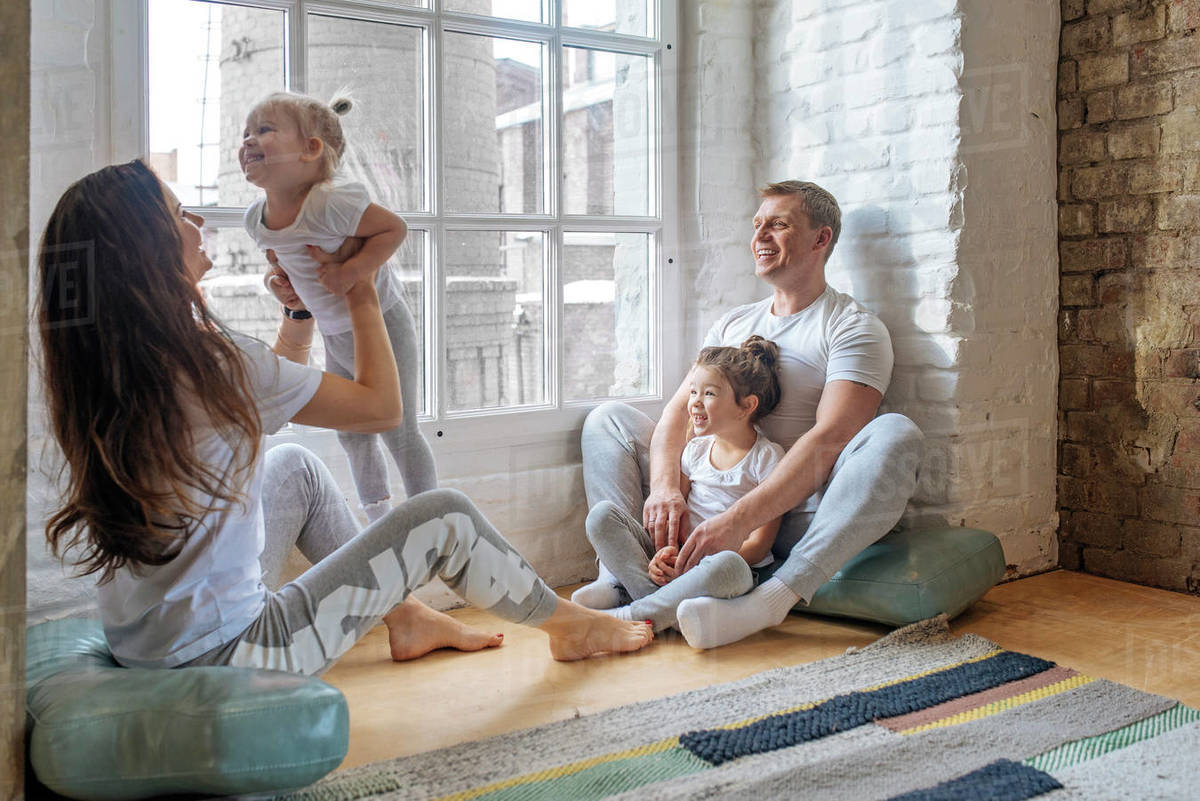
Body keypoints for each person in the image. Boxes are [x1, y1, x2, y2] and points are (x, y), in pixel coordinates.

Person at [37, 160, 653, 675]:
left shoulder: (124, 360)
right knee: (443, 517)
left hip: (150, 641)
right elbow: (379, 410)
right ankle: (570, 625)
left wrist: (300, 315)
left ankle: (408, 619)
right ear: (148, 252)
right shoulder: (209, 362)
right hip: (231, 653)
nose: (195, 221)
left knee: (295, 467)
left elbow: (253, 397)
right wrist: (359, 286)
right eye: (178, 215)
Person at [580, 180, 924, 649]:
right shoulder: (734, 323)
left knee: (896, 434)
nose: (760, 236)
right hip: (707, 501)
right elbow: (678, 415)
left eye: (778, 225)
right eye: (757, 224)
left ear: (820, 239)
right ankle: (626, 577)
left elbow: (832, 438)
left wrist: (740, 521)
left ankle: (773, 598)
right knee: (609, 420)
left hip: (789, 517)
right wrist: (664, 489)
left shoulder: (851, 326)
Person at [241, 91, 434, 524]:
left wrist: (354, 272)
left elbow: (393, 229)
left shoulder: (331, 202)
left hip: (381, 321)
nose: (249, 140)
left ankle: (433, 514)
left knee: (398, 430)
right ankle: (379, 514)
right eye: (246, 133)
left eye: (265, 130)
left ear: (311, 150)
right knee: (351, 432)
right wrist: (279, 284)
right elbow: (281, 262)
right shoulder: (257, 219)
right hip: (332, 328)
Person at [579, 337, 785, 634]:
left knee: (727, 566)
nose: (695, 403)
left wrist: (694, 567)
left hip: (731, 569)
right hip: (682, 563)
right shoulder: (696, 451)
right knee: (601, 517)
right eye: (693, 392)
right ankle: (664, 609)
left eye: (710, 393)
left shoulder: (767, 458)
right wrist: (665, 556)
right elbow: (678, 520)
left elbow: (758, 545)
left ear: (746, 406)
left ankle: (634, 612)